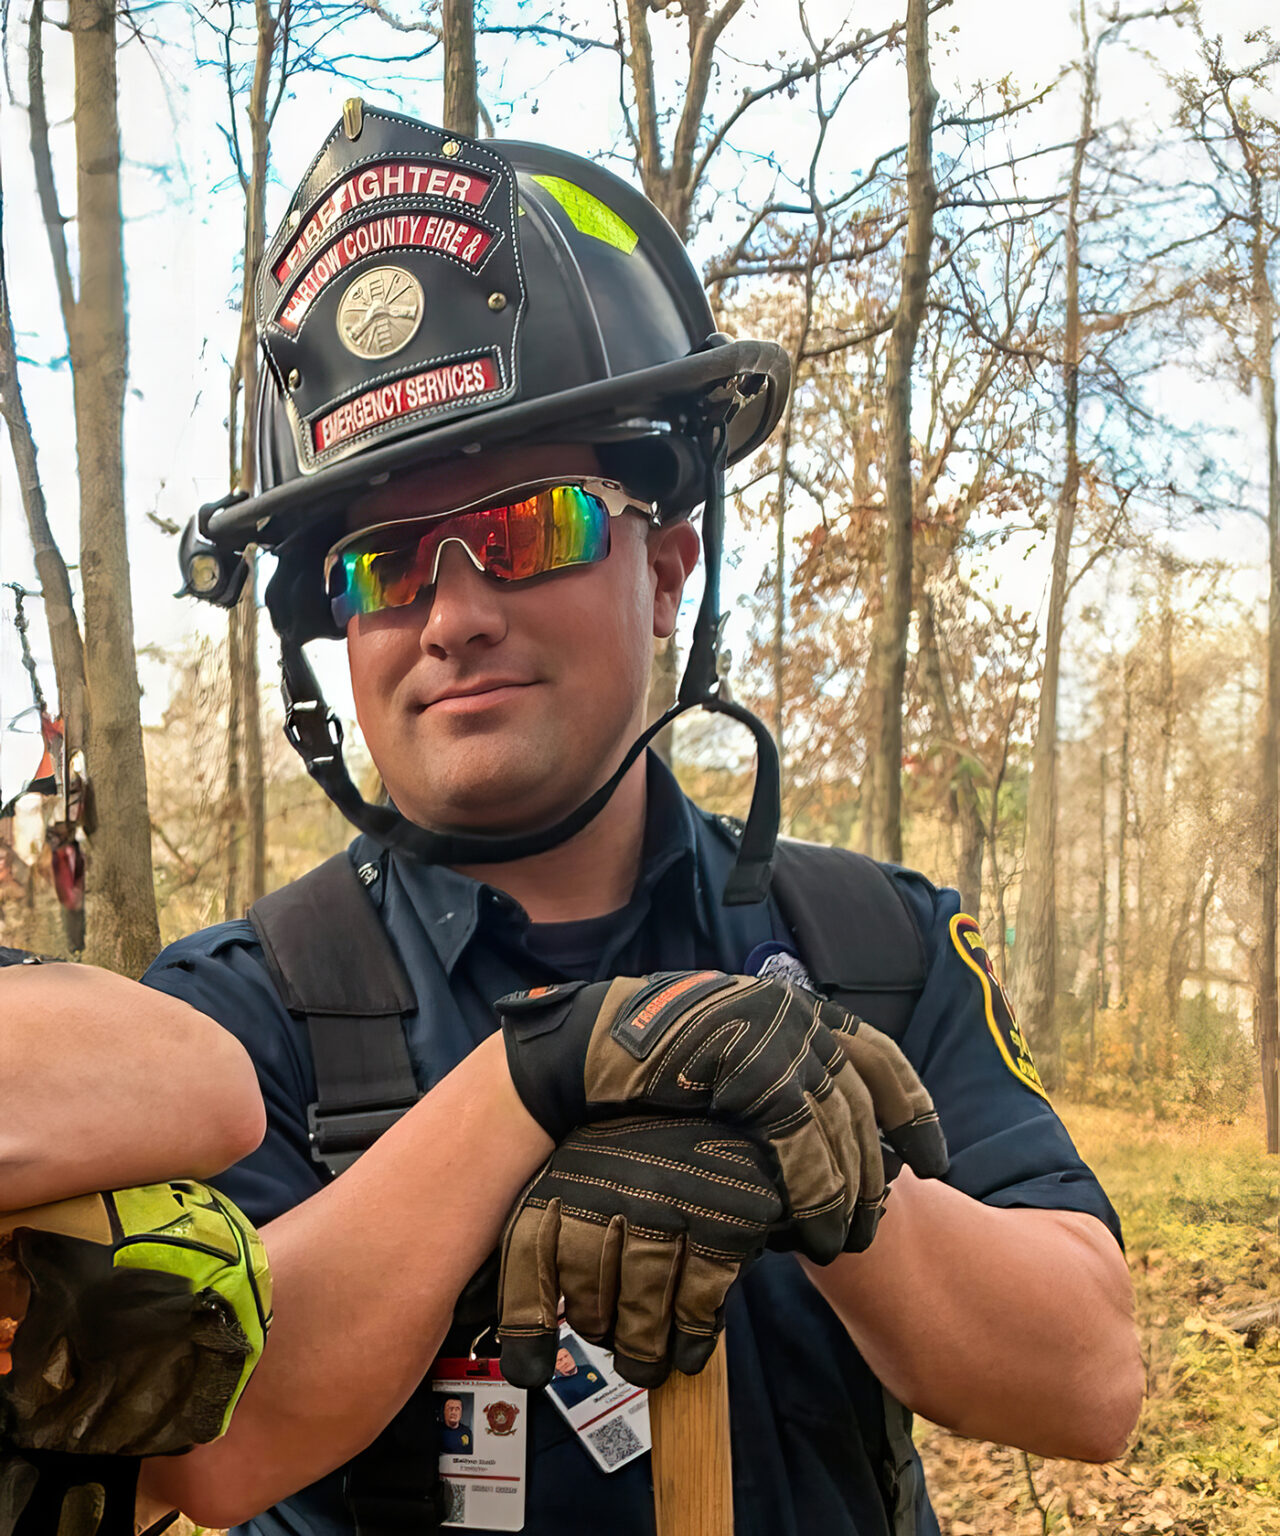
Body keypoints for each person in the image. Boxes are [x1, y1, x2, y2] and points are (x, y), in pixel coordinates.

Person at [137, 104, 1142, 1536]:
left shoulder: (875, 943)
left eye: (532, 525)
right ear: (336, 645)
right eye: (381, 569)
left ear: (667, 571)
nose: (457, 614)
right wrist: (532, 1094)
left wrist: (817, 1176)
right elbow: (205, 1448)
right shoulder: (237, 1023)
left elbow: (1092, 1380)